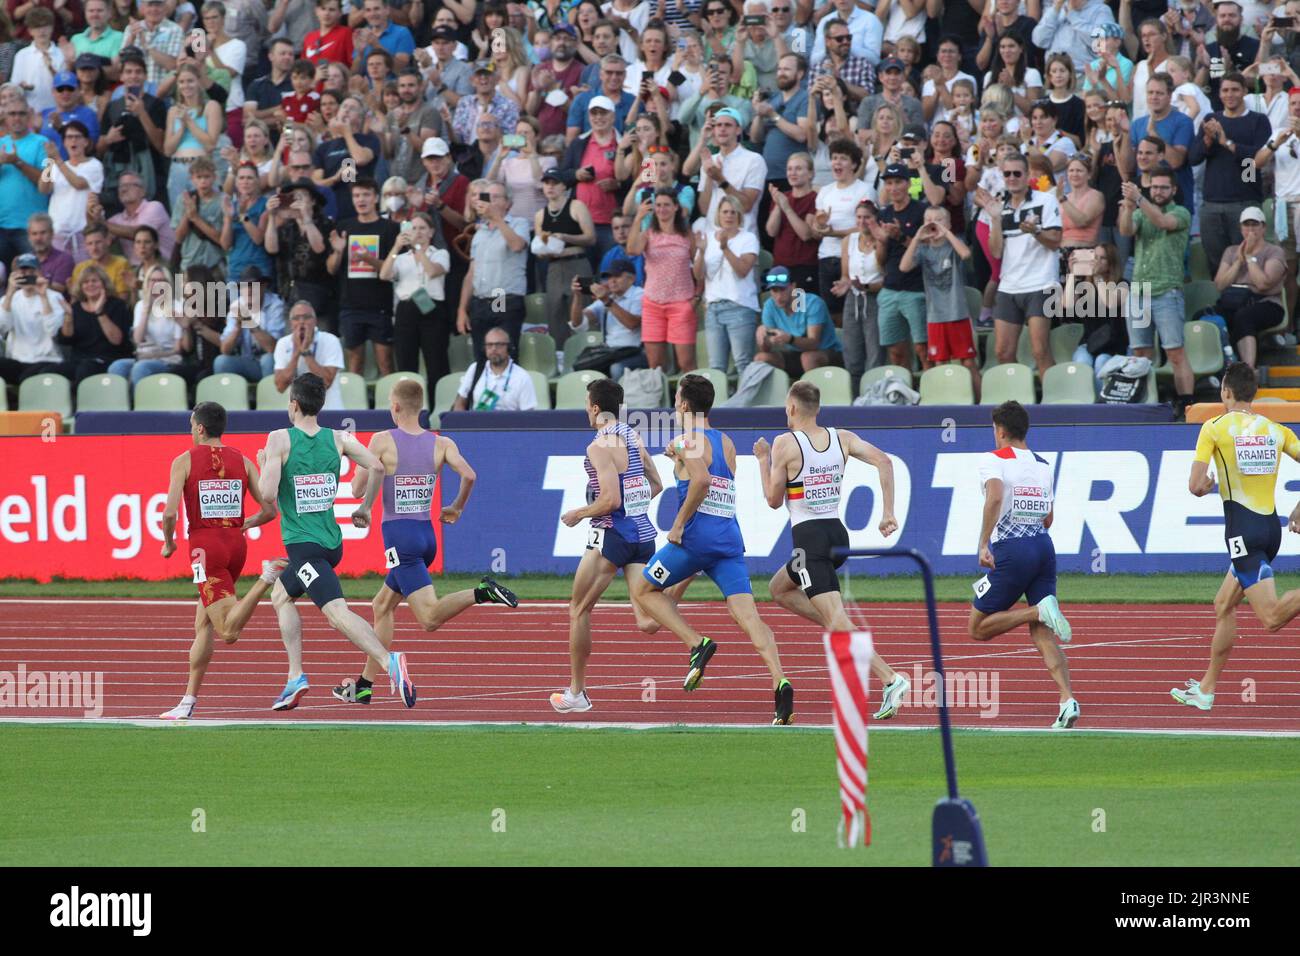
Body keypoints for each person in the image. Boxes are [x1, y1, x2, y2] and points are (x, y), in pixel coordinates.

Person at [333, 378, 518, 705]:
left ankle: (482, 591)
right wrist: (456, 507)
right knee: (381, 605)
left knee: (429, 618)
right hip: (426, 536)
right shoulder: (440, 443)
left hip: (398, 539)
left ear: (395, 407)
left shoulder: (381, 440)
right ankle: (363, 685)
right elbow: (470, 475)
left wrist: (365, 493)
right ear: (420, 408)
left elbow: (358, 489)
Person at [637, 374, 795, 723]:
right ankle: (779, 681)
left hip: (695, 539)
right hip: (728, 542)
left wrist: (677, 524)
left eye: (676, 398)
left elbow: (703, 481)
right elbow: (717, 479)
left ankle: (697, 644)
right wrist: (677, 457)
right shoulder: (725, 441)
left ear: (682, 404)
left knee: (644, 589)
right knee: (749, 618)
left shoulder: (685, 439)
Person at [754, 380, 912, 722]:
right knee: (779, 589)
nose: (785, 411)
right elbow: (884, 461)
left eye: (786, 406)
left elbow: (772, 499)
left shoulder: (784, 443)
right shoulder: (842, 438)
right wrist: (887, 512)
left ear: (793, 408)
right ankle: (836, 623)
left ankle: (891, 678)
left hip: (809, 542)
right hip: (836, 536)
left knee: (838, 620)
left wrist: (763, 459)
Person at [259, 372, 417, 710]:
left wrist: (263, 465)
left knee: (336, 613)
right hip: (331, 544)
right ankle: (295, 677)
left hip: (304, 546)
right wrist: (366, 507)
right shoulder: (338, 439)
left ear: (294, 405)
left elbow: (268, 494)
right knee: (280, 595)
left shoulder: (279, 439)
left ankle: (390, 662)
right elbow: (376, 467)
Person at [1179, 362, 1300, 712]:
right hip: (1268, 531)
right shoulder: (1275, 429)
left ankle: (1207, 690)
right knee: (1223, 604)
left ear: (1225, 393)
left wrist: (1207, 486)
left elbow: (1194, 485)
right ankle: (1206, 689)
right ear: (1255, 393)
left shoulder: (1213, 428)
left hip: (1242, 533)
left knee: (1272, 618)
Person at [157, 402, 282, 720]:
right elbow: (270, 510)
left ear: (200, 427)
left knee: (227, 631)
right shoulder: (241, 459)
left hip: (204, 549)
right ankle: (187, 701)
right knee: (203, 624)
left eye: (190, 425)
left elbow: (170, 512)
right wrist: (245, 523)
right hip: (236, 546)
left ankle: (266, 578)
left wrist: (169, 544)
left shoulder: (183, 460)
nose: (190, 430)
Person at [551, 377, 667, 714]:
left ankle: (577, 694)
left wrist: (580, 513)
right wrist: (634, 509)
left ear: (596, 408)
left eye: (587, 404)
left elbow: (611, 499)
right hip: (642, 535)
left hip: (611, 536)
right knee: (647, 621)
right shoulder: (633, 437)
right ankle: (685, 578)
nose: (586, 410)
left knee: (578, 609)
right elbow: (656, 484)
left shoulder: (598, 446)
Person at [969, 400, 1079, 730]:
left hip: (1012, 550)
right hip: (1043, 549)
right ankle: (1067, 700)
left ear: (1000, 431)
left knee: (976, 628)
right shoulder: (1043, 464)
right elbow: (1048, 518)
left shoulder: (993, 460)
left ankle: (1036, 610)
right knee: (1042, 632)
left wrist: (983, 542)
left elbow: (995, 496)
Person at [974, 152, 1062, 377]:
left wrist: (1036, 231)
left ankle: (1052, 406)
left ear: (1027, 175)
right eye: (1007, 174)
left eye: (1017, 173)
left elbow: (1055, 242)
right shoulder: (997, 206)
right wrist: (994, 218)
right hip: (1009, 285)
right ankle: (1013, 407)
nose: (1012, 177)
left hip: (1041, 284)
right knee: (1003, 352)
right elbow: (995, 251)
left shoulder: (1046, 200)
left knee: (1040, 350)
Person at [1119, 169, 1194, 414]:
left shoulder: (1181, 212)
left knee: (1175, 352)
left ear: (1173, 190)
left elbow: (1162, 222)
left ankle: (1187, 405)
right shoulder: (1141, 211)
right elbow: (1125, 231)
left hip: (1166, 292)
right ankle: (1144, 404)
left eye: (1163, 187)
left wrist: (1138, 199)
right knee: (1140, 353)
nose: (1158, 191)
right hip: (1139, 291)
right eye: (1155, 187)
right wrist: (1129, 207)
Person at [1188, 70, 1272, 275]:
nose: (1230, 94)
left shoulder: (1258, 121)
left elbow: (1256, 159)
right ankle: (1223, 303)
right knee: (1217, 265)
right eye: (1225, 90)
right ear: (1219, 94)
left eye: (1235, 89)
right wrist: (1208, 140)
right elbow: (1194, 158)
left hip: (1245, 201)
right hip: (1212, 204)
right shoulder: (1211, 119)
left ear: (1244, 91)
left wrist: (1227, 142)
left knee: (1248, 262)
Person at [900, 205, 981, 399]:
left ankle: (981, 402)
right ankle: (946, 400)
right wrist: (918, 238)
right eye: (929, 219)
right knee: (940, 363)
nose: (933, 223)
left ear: (949, 224)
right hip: (935, 316)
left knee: (968, 362)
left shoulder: (954, 244)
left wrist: (946, 232)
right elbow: (904, 267)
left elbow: (966, 254)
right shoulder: (923, 250)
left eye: (939, 219)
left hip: (957, 313)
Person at [326, 178, 400, 376]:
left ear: (376, 198)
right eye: (356, 195)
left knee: (385, 364)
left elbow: (392, 272)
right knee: (355, 365)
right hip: (350, 306)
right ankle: (357, 407)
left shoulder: (390, 228)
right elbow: (331, 269)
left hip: (381, 306)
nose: (361, 199)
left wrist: (368, 258)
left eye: (366, 194)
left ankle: (390, 407)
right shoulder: (344, 227)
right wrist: (339, 252)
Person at [456, 180, 529, 361]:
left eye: (496, 197)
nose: (491, 201)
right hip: (480, 300)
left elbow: (517, 245)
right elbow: (471, 273)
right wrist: (462, 309)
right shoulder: (480, 231)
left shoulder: (518, 223)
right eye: (488, 197)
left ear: (507, 203)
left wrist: (497, 219)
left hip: (501, 295)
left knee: (502, 354)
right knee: (482, 358)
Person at [626, 186, 696, 373]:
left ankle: (694, 401)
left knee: (686, 364)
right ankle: (660, 402)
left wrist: (697, 296)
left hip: (680, 303)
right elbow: (632, 250)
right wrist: (638, 218)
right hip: (653, 304)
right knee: (655, 366)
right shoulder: (648, 233)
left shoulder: (686, 233)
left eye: (666, 205)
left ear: (676, 207)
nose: (662, 209)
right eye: (658, 205)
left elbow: (698, 265)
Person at [1213, 208, 1287, 369]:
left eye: (1255, 225)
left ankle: (1248, 370)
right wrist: (1238, 261)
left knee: (1244, 317)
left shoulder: (1274, 251)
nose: (1250, 230)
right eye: (1246, 225)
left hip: (1267, 303)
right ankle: (1220, 366)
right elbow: (1219, 284)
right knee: (1209, 318)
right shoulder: (1231, 251)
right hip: (1233, 300)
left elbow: (1262, 284)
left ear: (1263, 227)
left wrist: (1249, 257)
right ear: (1241, 228)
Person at [380, 211, 451, 380]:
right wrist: (397, 247)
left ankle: (438, 404)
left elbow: (432, 271)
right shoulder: (401, 258)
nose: (417, 232)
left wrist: (417, 247)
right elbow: (384, 274)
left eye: (422, 228)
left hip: (432, 308)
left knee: (436, 362)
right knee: (406, 363)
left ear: (431, 232)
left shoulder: (439, 253)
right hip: (407, 309)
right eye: (413, 228)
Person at [696, 194, 759, 380]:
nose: (729, 216)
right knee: (716, 367)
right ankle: (716, 408)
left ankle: (745, 408)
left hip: (739, 306)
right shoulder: (707, 238)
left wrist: (725, 248)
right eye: (725, 212)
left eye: (733, 212)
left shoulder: (748, 238)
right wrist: (700, 250)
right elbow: (698, 276)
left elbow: (742, 270)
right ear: (718, 215)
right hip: (713, 308)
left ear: (739, 215)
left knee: (743, 364)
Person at [810, 137, 873, 322]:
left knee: (855, 314)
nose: (837, 162)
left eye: (843, 158)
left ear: (854, 164)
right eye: (834, 157)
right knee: (831, 313)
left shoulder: (865, 190)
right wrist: (820, 225)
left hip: (854, 258)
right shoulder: (825, 191)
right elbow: (817, 225)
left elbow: (866, 227)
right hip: (826, 258)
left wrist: (833, 233)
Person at [872, 162, 927, 371]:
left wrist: (900, 236)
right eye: (889, 183)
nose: (893, 187)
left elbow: (925, 252)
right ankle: (905, 394)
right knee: (895, 351)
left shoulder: (921, 210)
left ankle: (932, 395)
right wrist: (883, 241)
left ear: (907, 184)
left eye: (898, 182)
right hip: (890, 288)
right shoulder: (883, 214)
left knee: (923, 348)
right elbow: (880, 259)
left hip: (916, 288)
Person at [533, 168, 595, 349]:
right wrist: (543, 250)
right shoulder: (540, 215)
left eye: (555, 183)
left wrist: (565, 237)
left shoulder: (576, 206)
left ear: (564, 187)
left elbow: (590, 238)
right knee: (555, 312)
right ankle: (561, 354)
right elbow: (540, 245)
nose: (550, 187)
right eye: (547, 183)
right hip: (554, 265)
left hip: (577, 262)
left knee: (582, 309)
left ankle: (588, 350)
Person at [264, 179, 334, 330]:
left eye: (301, 196)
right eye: (293, 197)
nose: (296, 200)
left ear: (313, 201)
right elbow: (271, 248)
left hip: (318, 296)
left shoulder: (325, 224)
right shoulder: (287, 227)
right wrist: (271, 216)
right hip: (290, 294)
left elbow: (319, 248)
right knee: (292, 345)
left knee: (318, 344)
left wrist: (306, 219)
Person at [831, 200, 884, 392]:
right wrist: (844, 284)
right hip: (853, 297)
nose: (862, 221)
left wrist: (868, 286)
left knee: (874, 350)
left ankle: (874, 395)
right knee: (852, 349)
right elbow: (846, 275)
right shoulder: (849, 240)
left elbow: (887, 278)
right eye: (859, 217)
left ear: (876, 219)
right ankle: (853, 396)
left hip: (875, 297)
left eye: (867, 217)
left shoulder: (881, 240)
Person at [108, 264, 189, 385]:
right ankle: (121, 403)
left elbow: (178, 349)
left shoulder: (177, 306)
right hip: (144, 357)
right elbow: (138, 339)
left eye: (161, 281)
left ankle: (139, 402)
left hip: (169, 359)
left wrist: (153, 355)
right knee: (117, 367)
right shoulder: (141, 306)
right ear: (147, 283)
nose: (157, 284)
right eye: (153, 280)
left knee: (141, 367)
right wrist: (147, 309)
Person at [754, 265, 841, 376]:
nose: (778, 296)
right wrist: (762, 338)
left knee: (808, 357)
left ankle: (815, 392)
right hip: (795, 354)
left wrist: (790, 339)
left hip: (828, 353)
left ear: (793, 286)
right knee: (761, 358)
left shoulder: (813, 302)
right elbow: (766, 348)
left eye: (782, 289)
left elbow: (814, 343)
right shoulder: (769, 305)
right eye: (774, 290)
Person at [567, 259, 647, 379]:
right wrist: (577, 296)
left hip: (637, 352)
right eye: (609, 277)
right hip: (610, 353)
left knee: (616, 368)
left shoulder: (639, 294)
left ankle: (617, 398)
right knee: (577, 368)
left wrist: (607, 300)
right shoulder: (608, 298)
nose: (612, 281)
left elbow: (632, 323)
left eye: (617, 276)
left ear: (631, 279)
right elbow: (577, 323)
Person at [57, 261, 132, 383]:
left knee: (86, 368)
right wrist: (69, 316)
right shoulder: (75, 308)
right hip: (79, 360)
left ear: (104, 284)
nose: (90, 285)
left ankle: (80, 400)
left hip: (108, 359)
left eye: (94, 281)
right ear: (81, 286)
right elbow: (65, 339)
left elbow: (117, 340)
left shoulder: (117, 305)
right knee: (50, 371)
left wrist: (100, 312)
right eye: (86, 282)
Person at [163, 63, 224, 211]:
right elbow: (168, 150)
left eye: (190, 81)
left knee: (206, 211)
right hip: (178, 167)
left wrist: (189, 122)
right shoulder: (173, 110)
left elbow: (210, 144)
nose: (186, 86)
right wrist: (182, 128)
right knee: (179, 216)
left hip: (202, 167)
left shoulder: (211, 106)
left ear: (198, 81)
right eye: (181, 82)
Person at [0, 252, 66, 384]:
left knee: (29, 377)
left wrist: (43, 296)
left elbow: (53, 331)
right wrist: (10, 292)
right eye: (23, 272)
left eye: (31, 271)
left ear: (40, 273)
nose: (27, 275)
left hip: (47, 361)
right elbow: (2, 328)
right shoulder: (8, 299)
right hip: (17, 360)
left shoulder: (54, 297)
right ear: (15, 274)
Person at [0, 100, 50, 266]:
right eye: (12, 114)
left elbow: (47, 181)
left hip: (32, 228)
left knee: (34, 276)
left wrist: (17, 162)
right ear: (5, 118)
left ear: (29, 116)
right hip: (1, 225)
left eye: (21, 113)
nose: (17, 118)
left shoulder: (43, 143)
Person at [215, 266, 285, 381]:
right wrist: (237, 328)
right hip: (248, 363)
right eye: (245, 286)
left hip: (271, 365)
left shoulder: (275, 304)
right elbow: (225, 349)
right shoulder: (236, 306)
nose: (249, 290)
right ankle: (230, 398)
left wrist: (249, 323)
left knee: (268, 359)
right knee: (221, 361)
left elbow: (273, 349)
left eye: (253, 285)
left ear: (263, 286)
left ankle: (270, 398)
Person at [273, 300, 347, 409]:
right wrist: (296, 352)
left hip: (329, 410)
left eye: (307, 317)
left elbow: (326, 382)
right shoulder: (283, 343)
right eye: (296, 318)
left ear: (315, 321)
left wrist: (306, 352)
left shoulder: (331, 340)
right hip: (298, 414)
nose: (301, 322)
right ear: (290, 323)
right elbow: (280, 386)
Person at [765, 151, 818, 294]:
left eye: (798, 168)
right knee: (781, 309)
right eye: (789, 169)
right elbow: (771, 231)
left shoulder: (815, 198)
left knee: (799, 309)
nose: (793, 173)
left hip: (803, 267)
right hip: (780, 266)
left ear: (811, 174)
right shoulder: (782, 197)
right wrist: (777, 204)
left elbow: (806, 234)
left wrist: (786, 207)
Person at [452, 323, 538, 410]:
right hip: (477, 422)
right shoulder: (475, 369)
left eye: (499, 345)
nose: (493, 349)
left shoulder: (522, 377)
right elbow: (460, 403)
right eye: (489, 345)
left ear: (509, 348)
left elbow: (529, 415)